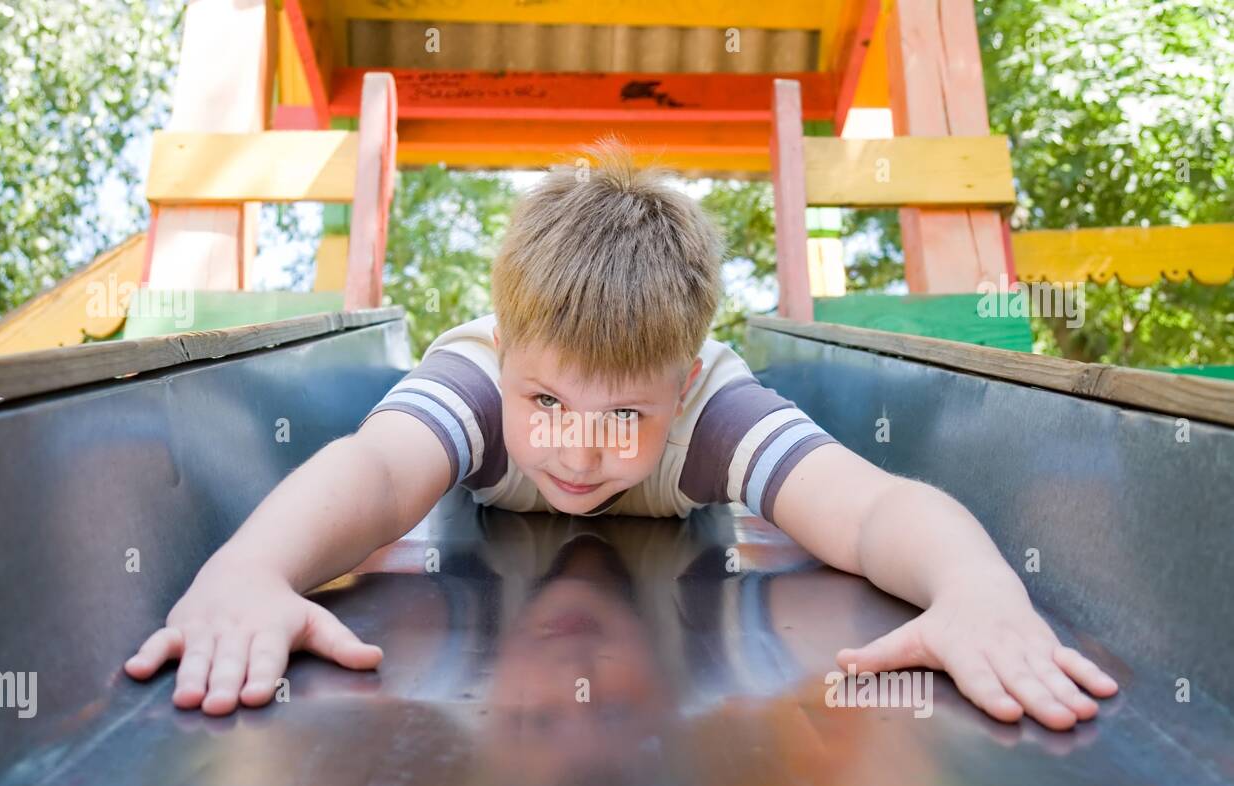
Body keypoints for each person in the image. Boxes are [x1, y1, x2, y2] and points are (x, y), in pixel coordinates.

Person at [125, 137, 1118, 730]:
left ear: (679, 386)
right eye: (547, 401)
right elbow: (376, 476)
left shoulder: (713, 414)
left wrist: (978, 591)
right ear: (512, 359)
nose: (575, 446)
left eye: (624, 415)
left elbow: (872, 509)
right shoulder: (479, 384)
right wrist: (251, 570)